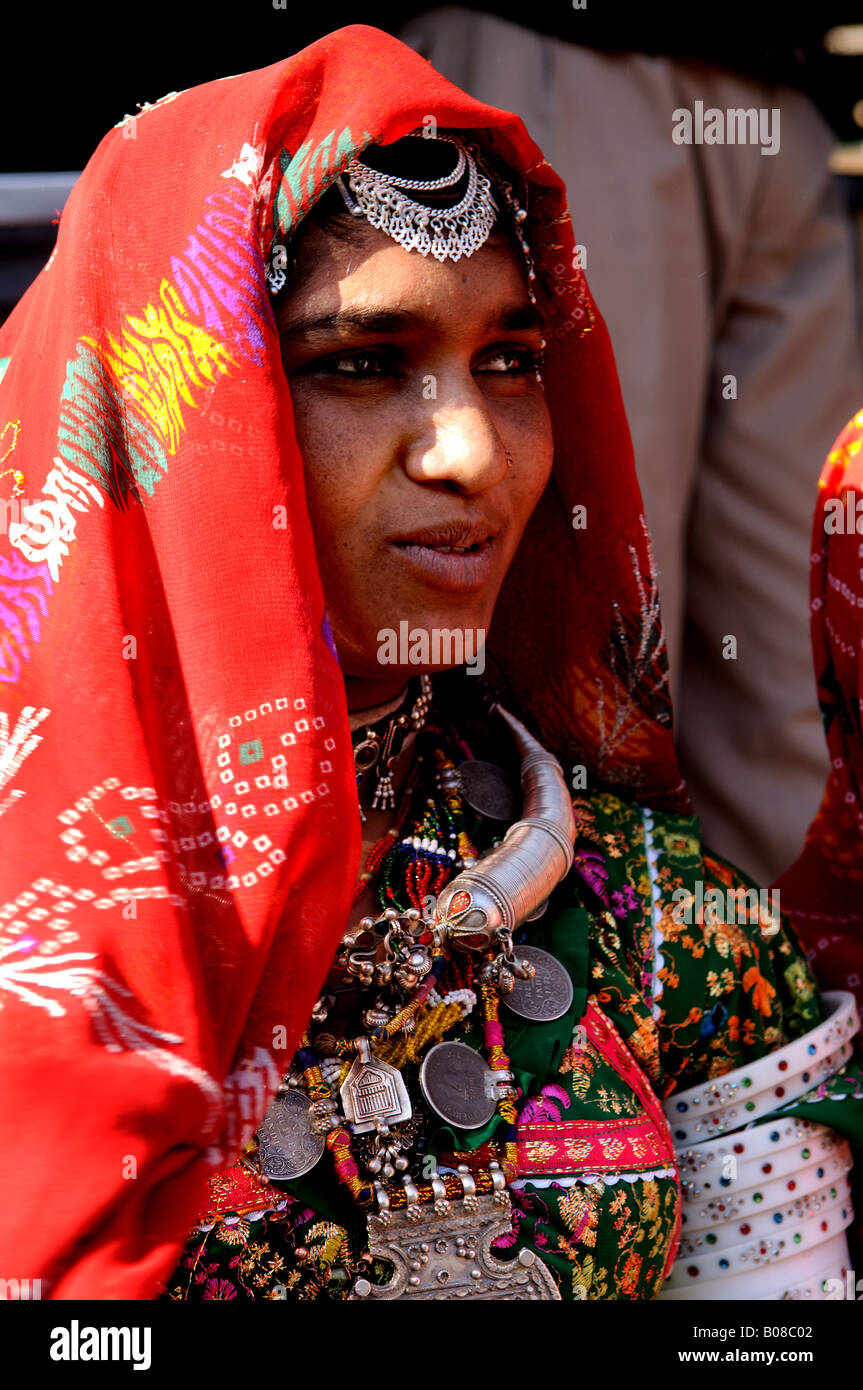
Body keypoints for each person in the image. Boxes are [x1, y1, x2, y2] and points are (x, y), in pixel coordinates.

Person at [0, 26, 860, 1303]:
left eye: (509, 362)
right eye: (361, 363)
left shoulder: (659, 919)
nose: (471, 452)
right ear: (174, 410)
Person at [397, 6, 863, 887]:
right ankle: (555, 1005)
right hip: (557, 52)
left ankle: (779, 1007)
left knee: (801, 672)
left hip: (772, 73)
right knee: (580, 651)